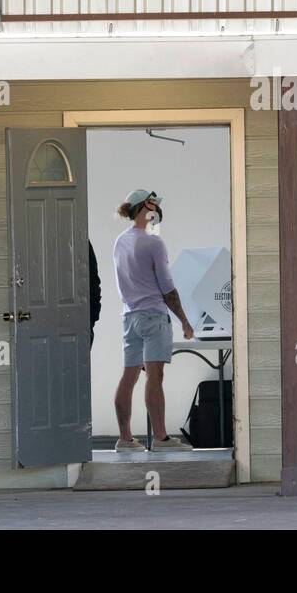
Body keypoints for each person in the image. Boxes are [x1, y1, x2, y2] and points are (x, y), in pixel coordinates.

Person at [112, 188, 195, 452]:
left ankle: (125, 439)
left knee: (129, 376)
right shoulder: (154, 243)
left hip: (130, 317)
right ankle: (160, 439)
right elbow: (168, 289)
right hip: (153, 316)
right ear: (145, 207)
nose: (157, 210)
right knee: (155, 377)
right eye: (154, 205)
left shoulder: (120, 241)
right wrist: (184, 320)